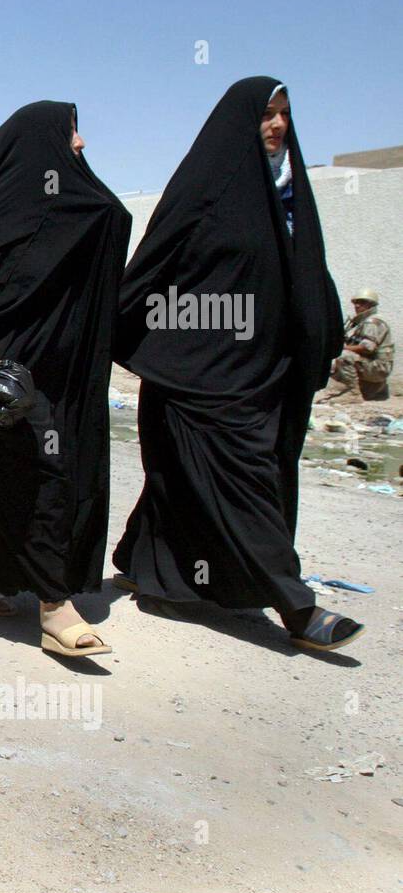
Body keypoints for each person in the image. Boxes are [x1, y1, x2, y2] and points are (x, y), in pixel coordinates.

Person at [113, 77, 364, 652]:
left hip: (270, 373)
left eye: (285, 115)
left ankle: (143, 562)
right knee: (246, 484)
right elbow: (153, 270)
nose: (277, 126)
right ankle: (296, 606)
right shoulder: (206, 189)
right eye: (266, 116)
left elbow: (308, 276)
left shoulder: (290, 196)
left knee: (184, 478)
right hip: (202, 374)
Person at [0, 102, 130, 657]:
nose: (79, 144)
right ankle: (55, 606)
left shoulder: (70, 213)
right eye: (68, 134)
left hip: (58, 375)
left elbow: (111, 218)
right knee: (44, 475)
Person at [322, 289, 392, 401]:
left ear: (371, 304)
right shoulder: (361, 322)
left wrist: (342, 347)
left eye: (362, 302)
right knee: (332, 361)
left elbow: (367, 348)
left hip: (378, 367)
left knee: (343, 356)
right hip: (371, 365)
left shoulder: (372, 322)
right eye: (355, 302)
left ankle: (353, 393)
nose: (357, 305)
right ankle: (369, 390)